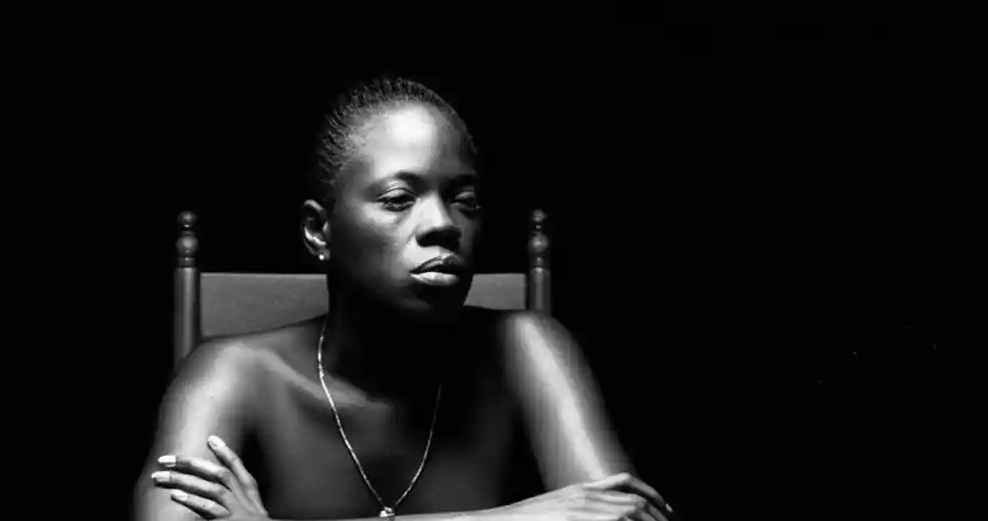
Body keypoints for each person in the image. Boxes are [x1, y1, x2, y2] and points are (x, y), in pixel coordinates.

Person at [133, 77, 673, 521]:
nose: (443, 225)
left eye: (464, 201)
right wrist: (518, 517)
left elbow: (619, 516)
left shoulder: (525, 345)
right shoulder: (235, 371)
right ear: (319, 231)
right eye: (398, 199)